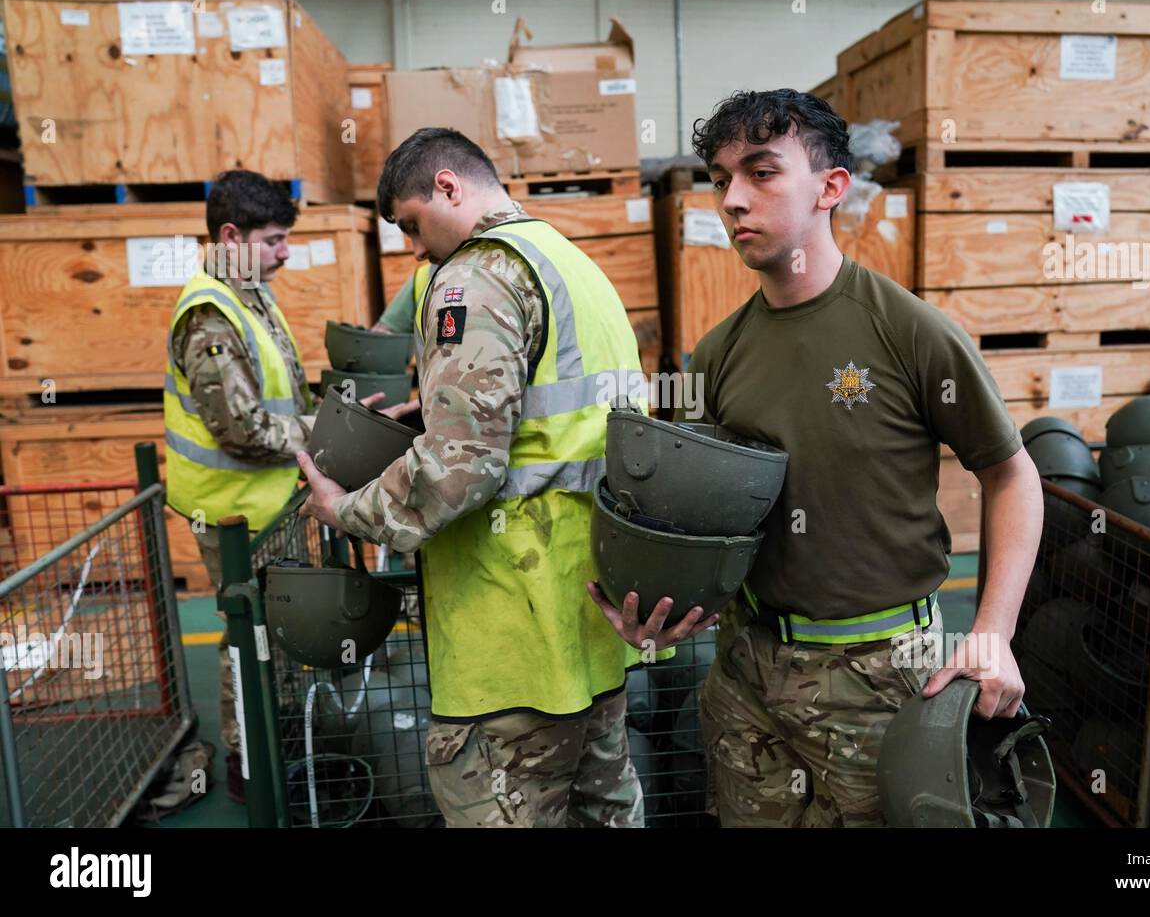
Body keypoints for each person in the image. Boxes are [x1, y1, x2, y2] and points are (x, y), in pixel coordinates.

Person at [589, 89, 1044, 827]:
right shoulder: (717, 351)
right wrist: (669, 607)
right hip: (746, 672)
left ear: (831, 187)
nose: (732, 200)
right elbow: (710, 516)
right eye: (721, 178)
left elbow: (1010, 473)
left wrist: (993, 630)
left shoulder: (909, 331)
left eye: (761, 173)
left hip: (883, 675)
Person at [296, 128, 697, 827]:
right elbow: (557, 413)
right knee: (602, 805)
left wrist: (348, 509)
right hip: (587, 609)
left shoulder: (473, 276)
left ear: (449, 185)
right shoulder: (569, 262)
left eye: (414, 225)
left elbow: (462, 469)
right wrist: (434, 407)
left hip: (507, 625)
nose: (415, 249)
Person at [163, 170, 316, 803]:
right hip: (234, 521)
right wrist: (323, 434)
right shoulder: (210, 315)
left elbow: (275, 393)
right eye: (275, 239)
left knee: (277, 642)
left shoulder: (249, 292)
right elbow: (244, 430)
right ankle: (250, 768)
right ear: (231, 236)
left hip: (269, 508)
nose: (285, 252)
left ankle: (281, 749)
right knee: (249, 641)